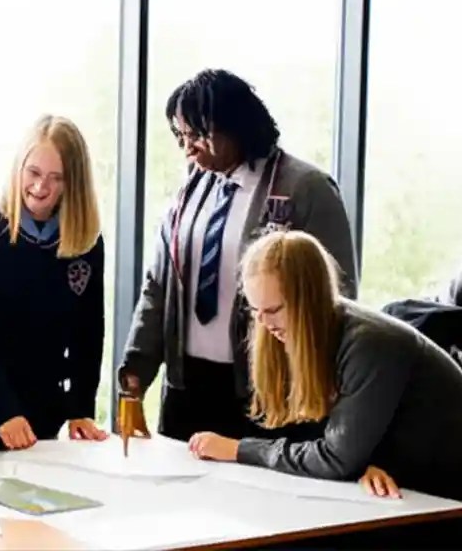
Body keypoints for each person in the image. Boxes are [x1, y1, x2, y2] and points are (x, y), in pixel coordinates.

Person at [188, 231, 462, 550]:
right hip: (410, 494)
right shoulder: (297, 335)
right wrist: (355, 460)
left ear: (309, 299)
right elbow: (328, 444)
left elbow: (335, 458)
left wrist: (239, 450)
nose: (263, 324)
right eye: (255, 310)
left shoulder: (370, 345)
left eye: (274, 310)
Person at [119, 69, 357, 442]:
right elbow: (159, 285)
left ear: (234, 125)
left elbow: (338, 297)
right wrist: (136, 367)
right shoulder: (190, 187)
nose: (187, 148)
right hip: (189, 386)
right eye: (180, 136)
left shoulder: (306, 188)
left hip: (270, 387)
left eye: (196, 135)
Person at [0, 115, 108, 451]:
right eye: (33, 173)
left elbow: (88, 334)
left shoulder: (86, 242)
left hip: (42, 405)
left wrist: (80, 409)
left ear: (73, 183)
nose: (40, 188)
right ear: (19, 168)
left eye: (56, 178)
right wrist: (5, 411)